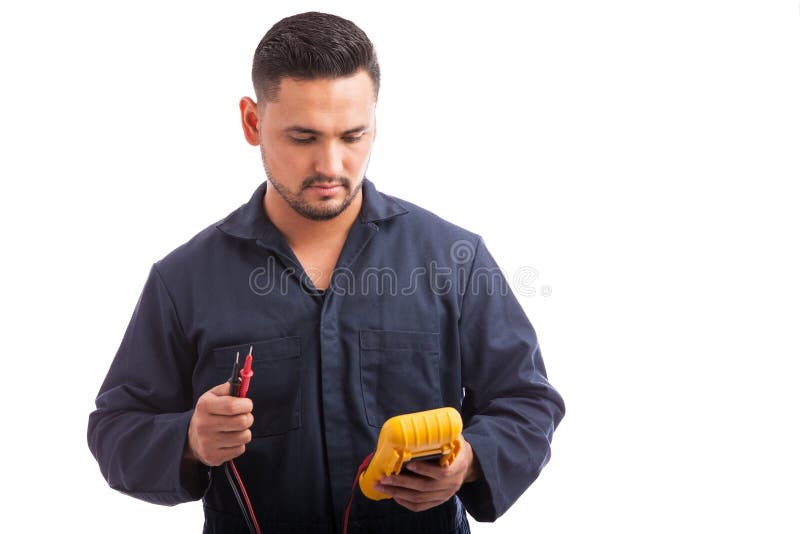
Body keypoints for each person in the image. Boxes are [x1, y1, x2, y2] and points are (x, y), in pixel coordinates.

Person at [87, 11, 565, 534]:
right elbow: (116, 428)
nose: (332, 166)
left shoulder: (456, 259)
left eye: (352, 135)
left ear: (375, 123)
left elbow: (527, 400)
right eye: (303, 137)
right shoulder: (183, 280)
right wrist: (189, 441)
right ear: (252, 122)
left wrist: (471, 459)